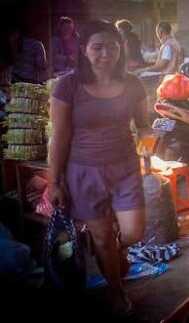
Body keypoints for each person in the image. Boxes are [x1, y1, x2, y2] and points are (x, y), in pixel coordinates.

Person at [48, 21, 151, 313]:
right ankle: (117, 292)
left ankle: (115, 251)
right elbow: (60, 136)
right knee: (102, 238)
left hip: (126, 168)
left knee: (132, 233)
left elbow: (142, 125)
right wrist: (55, 182)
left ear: (121, 48)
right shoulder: (67, 86)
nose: (106, 52)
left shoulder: (133, 83)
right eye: (97, 46)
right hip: (83, 172)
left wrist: (150, 139)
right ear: (84, 50)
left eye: (113, 45)